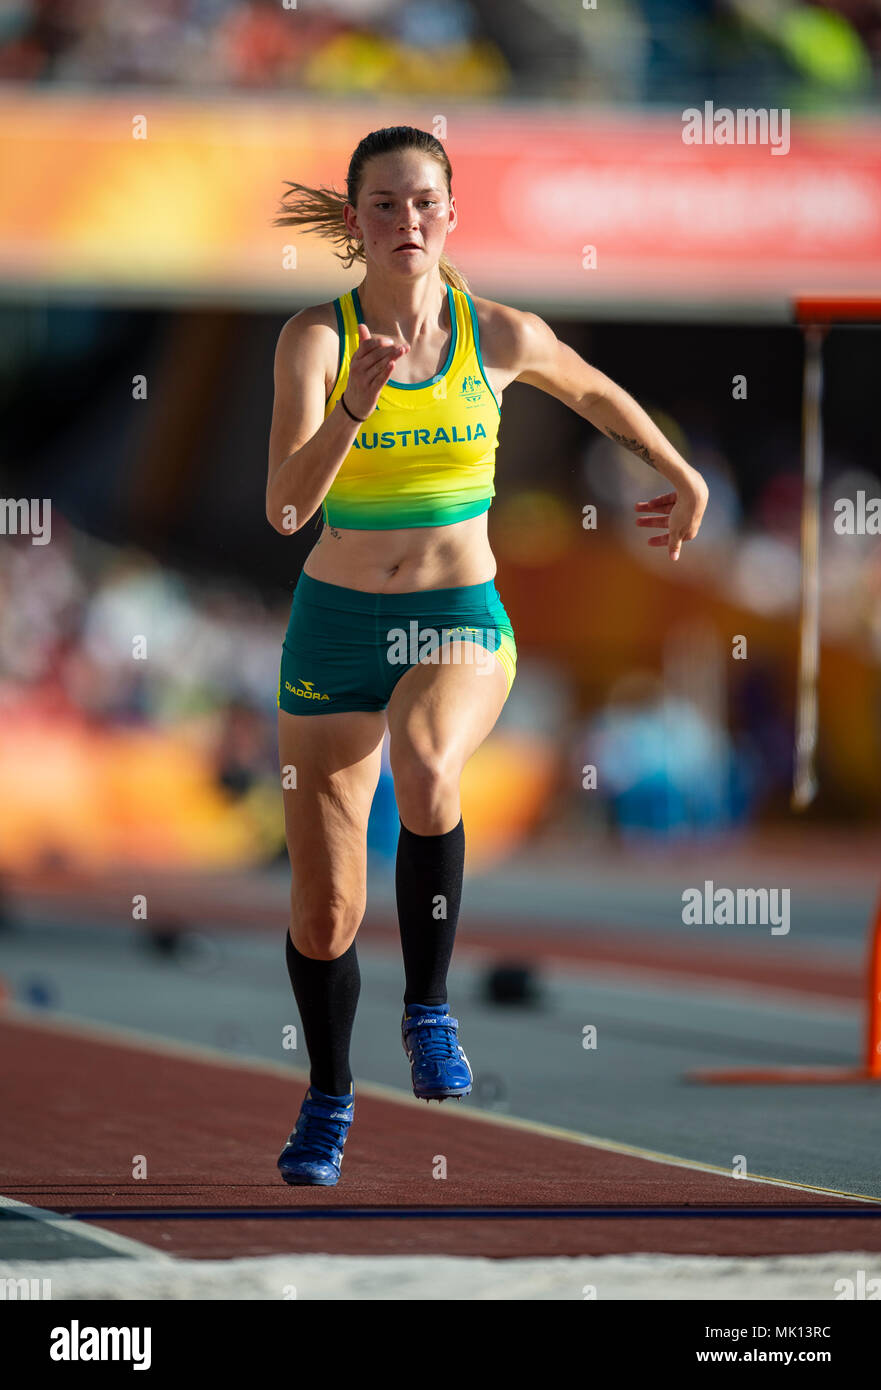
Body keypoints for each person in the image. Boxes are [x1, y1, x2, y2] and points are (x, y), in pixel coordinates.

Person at [266, 124, 708, 1185]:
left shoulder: (496, 335)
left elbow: (594, 390)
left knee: (425, 762)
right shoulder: (313, 343)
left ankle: (427, 1009)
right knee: (324, 911)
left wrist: (677, 475)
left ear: (450, 215)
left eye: (423, 202)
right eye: (383, 204)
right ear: (355, 220)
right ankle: (328, 1098)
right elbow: (285, 507)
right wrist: (356, 404)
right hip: (332, 626)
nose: (405, 221)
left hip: (457, 616)